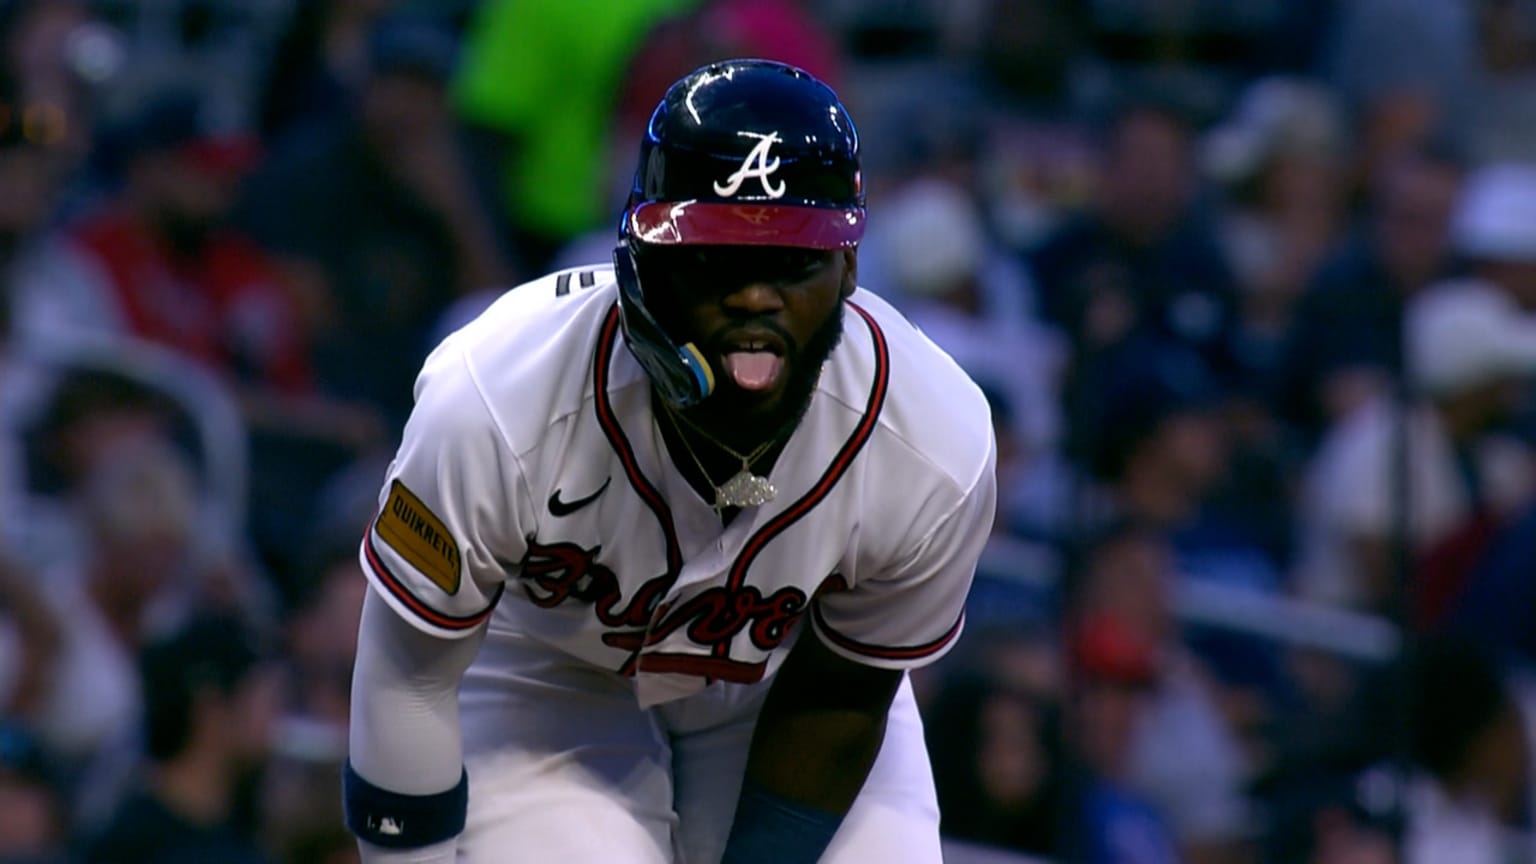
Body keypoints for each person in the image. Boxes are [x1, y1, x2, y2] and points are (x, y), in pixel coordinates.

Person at [343, 59, 997, 864]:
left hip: (782, 684)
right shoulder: (492, 396)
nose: (757, 297)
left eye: (795, 261)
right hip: (547, 673)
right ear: (638, 259)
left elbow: (842, 692)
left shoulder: (934, 439)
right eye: (717, 257)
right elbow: (407, 678)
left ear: (849, 269)